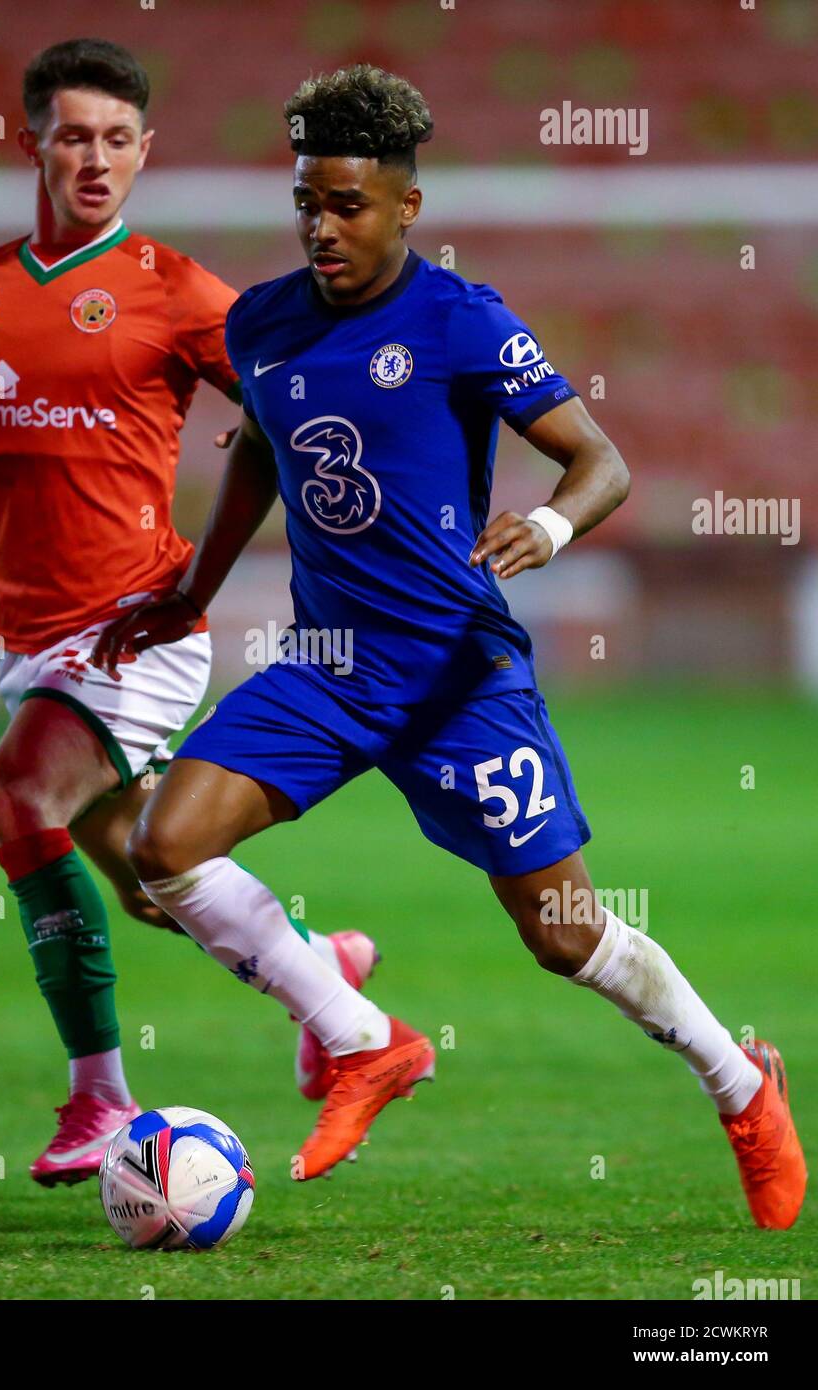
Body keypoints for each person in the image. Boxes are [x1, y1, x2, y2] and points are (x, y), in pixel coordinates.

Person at [94, 64, 806, 1227]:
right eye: (306, 204)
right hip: (328, 665)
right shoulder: (262, 321)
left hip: (453, 675)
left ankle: (739, 1085)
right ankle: (359, 1035)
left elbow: (603, 463)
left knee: (562, 932)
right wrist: (192, 589)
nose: (321, 227)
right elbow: (258, 457)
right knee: (160, 847)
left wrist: (547, 521)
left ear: (405, 207)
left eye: (347, 206)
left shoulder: (460, 319)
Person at [0, 38, 374, 1187]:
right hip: (32, 645)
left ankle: (100, 1099)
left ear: (145, 150)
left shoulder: (175, 288)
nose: (94, 159)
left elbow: (293, 407)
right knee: (154, 886)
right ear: (31, 142)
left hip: (132, 630)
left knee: (16, 797)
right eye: (72, 136)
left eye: (116, 140)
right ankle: (322, 968)